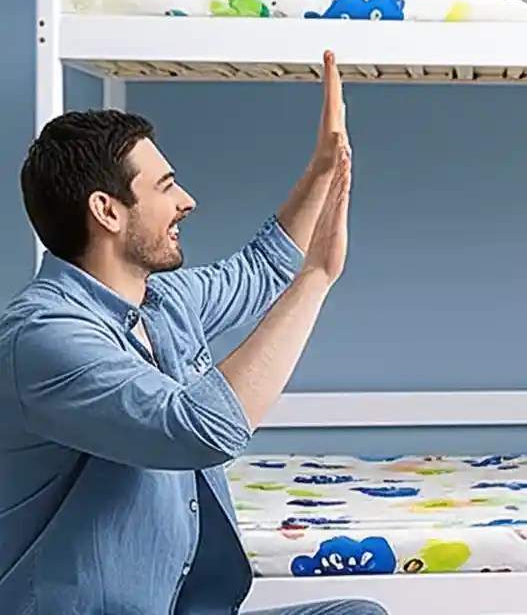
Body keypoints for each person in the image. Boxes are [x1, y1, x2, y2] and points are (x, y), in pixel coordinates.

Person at [0, 51, 386, 614]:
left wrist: (323, 171)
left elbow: (260, 268)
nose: (187, 202)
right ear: (107, 211)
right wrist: (318, 279)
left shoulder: (159, 302)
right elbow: (202, 429)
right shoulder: (45, 339)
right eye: (166, 187)